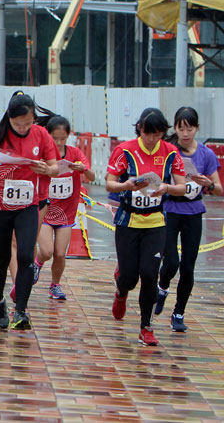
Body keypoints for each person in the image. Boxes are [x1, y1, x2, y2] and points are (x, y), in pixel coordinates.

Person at [0, 93, 58, 331]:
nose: (22, 128)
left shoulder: (41, 135)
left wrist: (45, 168)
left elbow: (55, 168)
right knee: (1, 259)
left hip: (28, 204)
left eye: (27, 124)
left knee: (27, 256)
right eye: (18, 124)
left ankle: (21, 309)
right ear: (9, 118)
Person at [107, 108, 188, 345]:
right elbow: (110, 184)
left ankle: (146, 327)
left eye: (157, 134)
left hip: (156, 221)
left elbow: (182, 187)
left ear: (163, 132)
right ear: (139, 129)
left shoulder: (171, 152)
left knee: (150, 274)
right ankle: (121, 291)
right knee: (130, 278)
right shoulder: (125, 150)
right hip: (128, 220)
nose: (152, 139)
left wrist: (167, 188)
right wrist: (127, 185)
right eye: (147, 133)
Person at [155, 107, 221, 332]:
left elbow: (219, 188)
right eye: (181, 128)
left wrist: (208, 184)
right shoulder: (169, 151)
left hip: (194, 212)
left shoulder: (206, 154)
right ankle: (162, 288)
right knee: (171, 261)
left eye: (189, 128)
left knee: (188, 267)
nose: (185, 133)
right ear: (175, 128)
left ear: (197, 128)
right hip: (171, 210)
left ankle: (179, 312)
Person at [34, 116, 94, 300]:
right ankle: (37, 264)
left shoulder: (75, 153)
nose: (59, 143)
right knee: (46, 251)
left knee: (60, 253)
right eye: (55, 138)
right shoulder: (43, 153)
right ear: (48, 136)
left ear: (68, 136)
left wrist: (82, 168)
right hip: (45, 209)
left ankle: (55, 285)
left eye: (63, 138)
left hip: (67, 212)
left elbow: (91, 176)